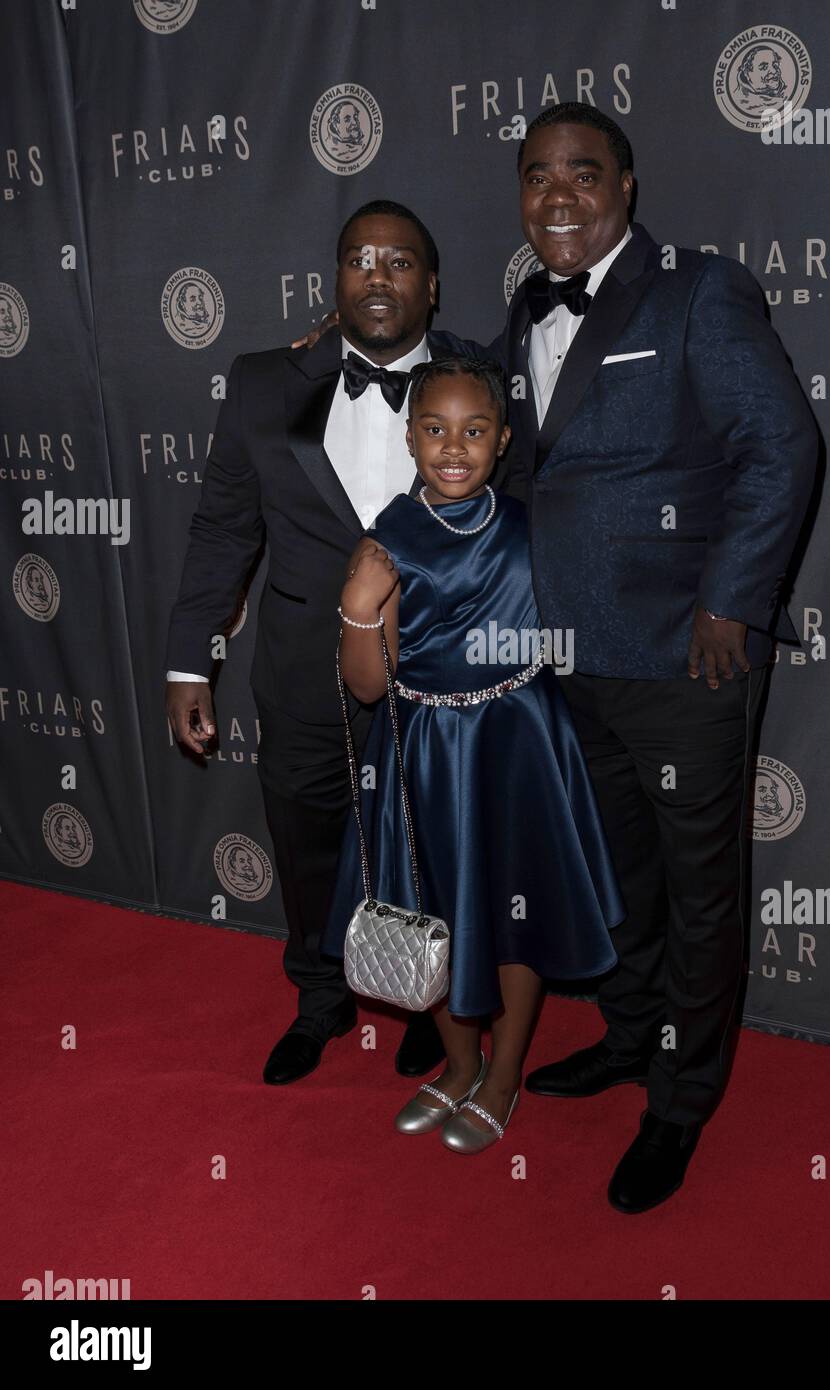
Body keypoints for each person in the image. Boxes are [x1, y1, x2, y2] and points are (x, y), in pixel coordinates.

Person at [495, 103, 819, 1213]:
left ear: (626, 186)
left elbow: (780, 444)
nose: (558, 197)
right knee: (615, 868)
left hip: (689, 659)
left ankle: (679, 1100)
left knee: (694, 888)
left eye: (581, 174)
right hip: (568, 657)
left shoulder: (696, 290)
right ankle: (631, 1035)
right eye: (537, 177)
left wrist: (730, 602)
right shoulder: (518, 314)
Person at [166, 201, 484, 1087]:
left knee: (433, 840)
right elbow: (223, 531)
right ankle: (319, 999)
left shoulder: (480, 381)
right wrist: (191, 657)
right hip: (302, 669)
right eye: (359, 260)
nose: (377, 278)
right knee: (304, 837)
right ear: (334, 277)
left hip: (440, 666)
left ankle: (434, 1002)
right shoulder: (266, 379)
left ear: (432, 283)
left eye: (400, 262)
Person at [321, 357, 623, 1153]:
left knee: (513, 910)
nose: (454, 447)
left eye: (475, 431)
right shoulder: (388, 535)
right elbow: (365, 687)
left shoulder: (533, 527)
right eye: (435, 429)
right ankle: (457, 1064)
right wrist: (358, 608)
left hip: (517, 744)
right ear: (411, 434)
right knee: (433, 908)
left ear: (503, 438)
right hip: (422, 749)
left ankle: (504, 1074)